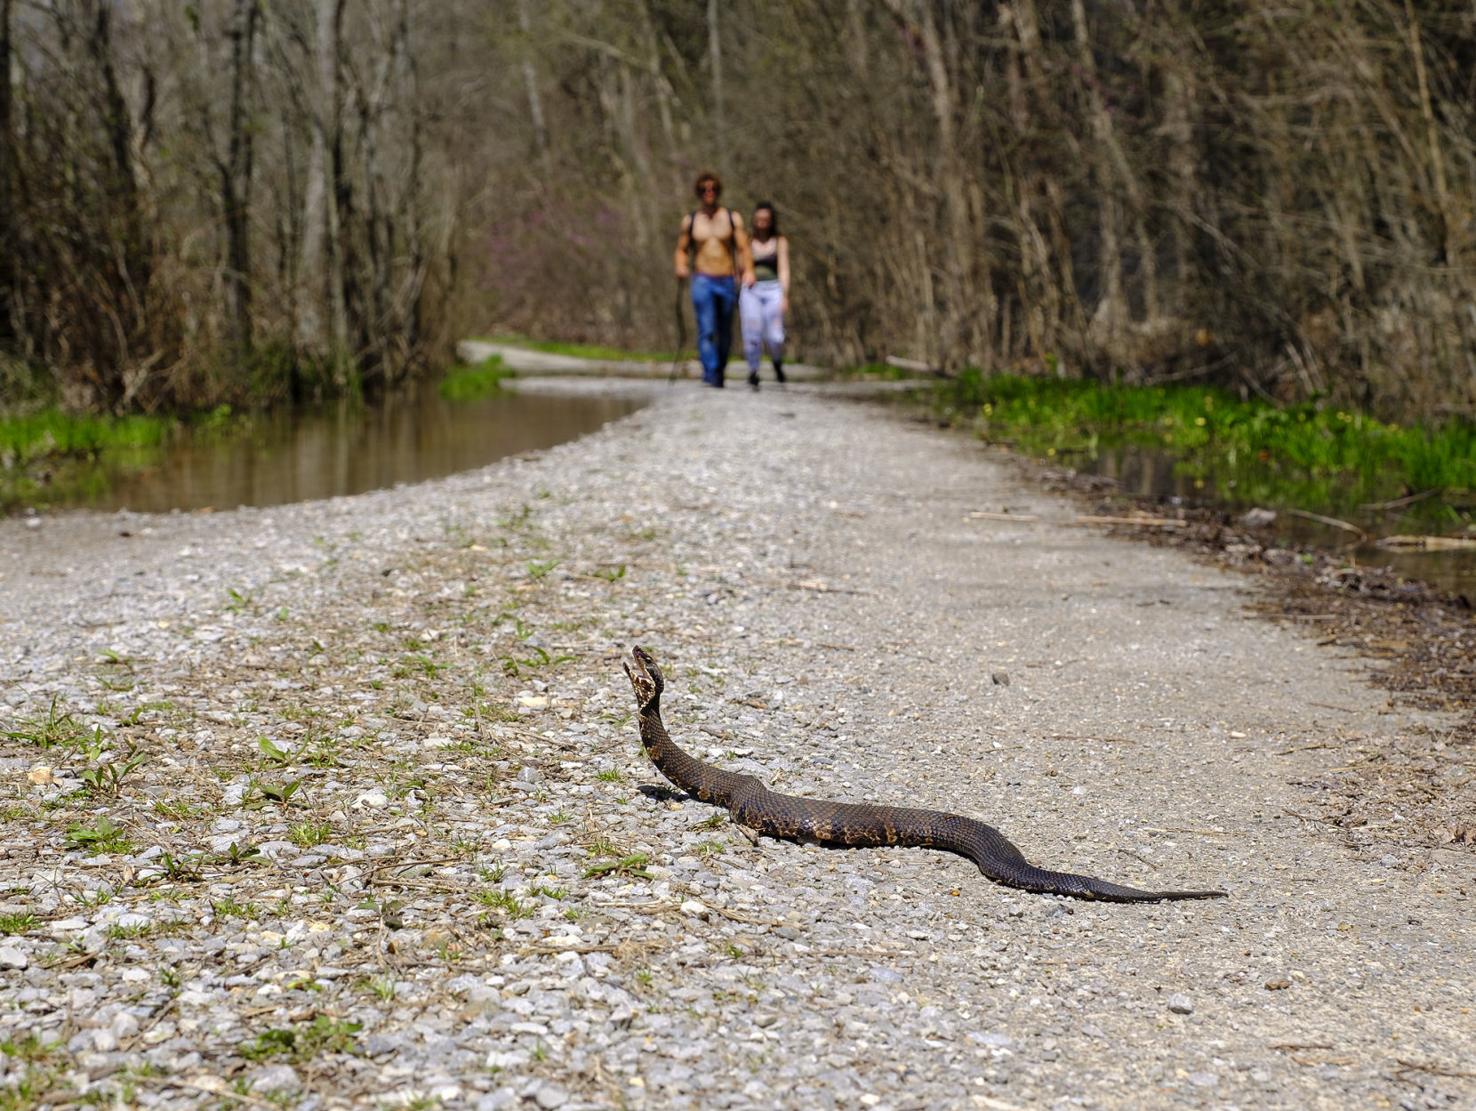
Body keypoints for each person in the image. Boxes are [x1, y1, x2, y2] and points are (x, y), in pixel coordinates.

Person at [673, 172, 754, 388]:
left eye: (713, 189)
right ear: (698, 192)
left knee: (725, 330)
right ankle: (710, 371)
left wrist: (748, 271)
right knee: (706, 328)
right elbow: (681, 249)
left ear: (718, 191)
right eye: (704, 189)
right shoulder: (691, 221)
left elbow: (743, 248)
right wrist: (681, 266)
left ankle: (720, 369)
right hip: (702, 279)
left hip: (726, 279)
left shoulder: (731, 218)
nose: (708, 193)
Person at [739, 201, 789, 389]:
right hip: (751, 290)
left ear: (771, 221)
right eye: (759, 219)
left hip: (773, 289)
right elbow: (739, 266)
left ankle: (777, 361)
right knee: (752, 332)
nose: (762, 223)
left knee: (775, 335)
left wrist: (784, 295)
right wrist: (744, 274)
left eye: (766, 219)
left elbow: (784, 269)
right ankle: (753, 370)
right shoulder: (747, 240)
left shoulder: (780, 241)